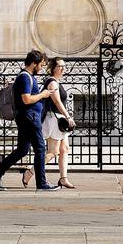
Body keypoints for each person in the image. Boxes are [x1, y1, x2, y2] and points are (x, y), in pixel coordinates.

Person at [0, 50, 59, 192]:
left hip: (28, 117)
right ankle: (42, 184)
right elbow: (26, 99)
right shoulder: (25, 77)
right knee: (40, 148)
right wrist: (43, 94)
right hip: (29, 118)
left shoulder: (28, 76)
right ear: (34, 63)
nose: (42, 68)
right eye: (41, 65)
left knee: (22, 150)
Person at [39, 57, 76, 189]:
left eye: (64, 66)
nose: (63, 69)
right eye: (61, 66)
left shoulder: (57, 82)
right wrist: (68, 117)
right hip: (54, 120)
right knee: (53, 152)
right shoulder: (52, 83)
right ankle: (30, 172)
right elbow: (57, 102)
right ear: (53, 68)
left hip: (59, 121)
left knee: (64, 149)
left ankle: (63, 178)